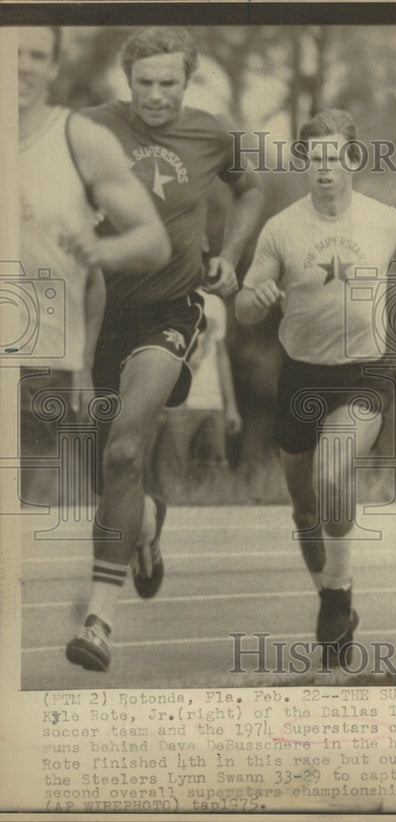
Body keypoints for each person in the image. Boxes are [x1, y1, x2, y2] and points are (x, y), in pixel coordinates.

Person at [66, 27, 262, 671]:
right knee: (116, 474)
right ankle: (147, 525)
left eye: (169, 83)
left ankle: (99, 620)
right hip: (98, 312)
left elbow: (250, 187)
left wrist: (230, 256)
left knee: (126, 450)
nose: (155, 96)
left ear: (188, 79)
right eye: (144, 83)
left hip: (171, 311)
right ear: (128, 80)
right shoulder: (87, 127)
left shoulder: (211, 133)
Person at [235, 109, 396, 667]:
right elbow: (245, 300)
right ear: (304, 163)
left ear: (351, 159)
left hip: (365, 374)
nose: (324, 169)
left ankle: (338, 592)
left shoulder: (384, 220)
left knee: (334, 471)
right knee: (306, 511)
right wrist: (253, 300)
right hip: (302, 377)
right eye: (314, 159)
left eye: (334, 157)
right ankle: (333, 600)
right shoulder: (282, 228)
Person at [18, 26, 170, 506]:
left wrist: (101, 251)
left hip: (41, 363)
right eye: (12, 53)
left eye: (36, 55)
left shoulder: (78, 140)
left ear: (54, 67)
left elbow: (154, 240)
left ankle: (138, 521)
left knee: (25, 523)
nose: (22, 66)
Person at [151, 288, 242, 495]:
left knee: (213, 476)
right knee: (172, 476)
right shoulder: (168, 299)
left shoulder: (215, 304)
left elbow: (221, 356)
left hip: (212, 401)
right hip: (179, 402)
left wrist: (231, 406)